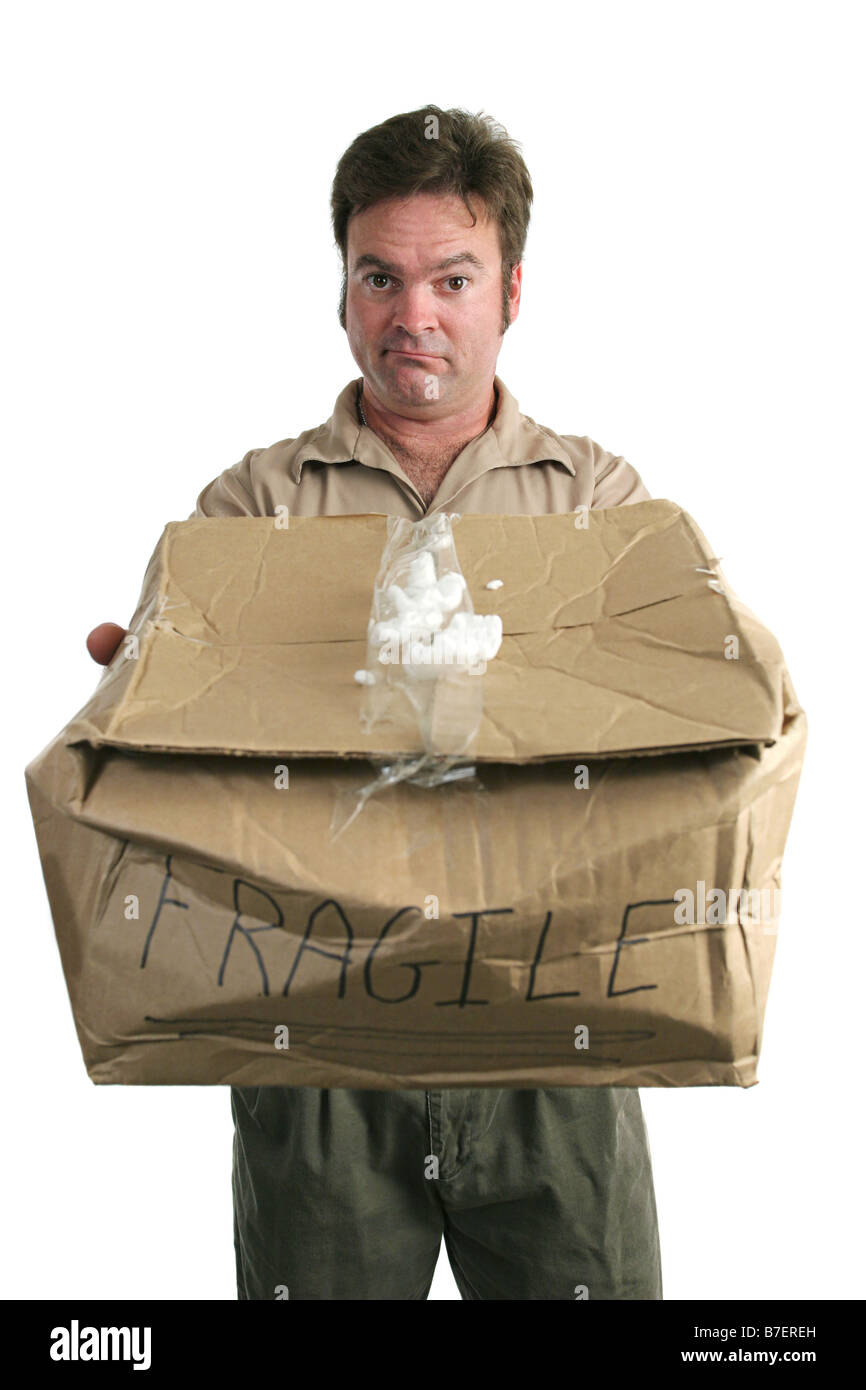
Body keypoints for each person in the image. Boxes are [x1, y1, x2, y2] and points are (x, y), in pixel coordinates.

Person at [88, 106, 663, 1301]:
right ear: (341, 291)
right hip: (318, 1039)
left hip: (542, 1029)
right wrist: (144, 701)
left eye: (451, 278)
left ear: (510, 290)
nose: (414, 314)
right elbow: (181, 754)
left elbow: (660, 730)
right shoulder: (252, 506)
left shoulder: (596, 500)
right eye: (379, 276)